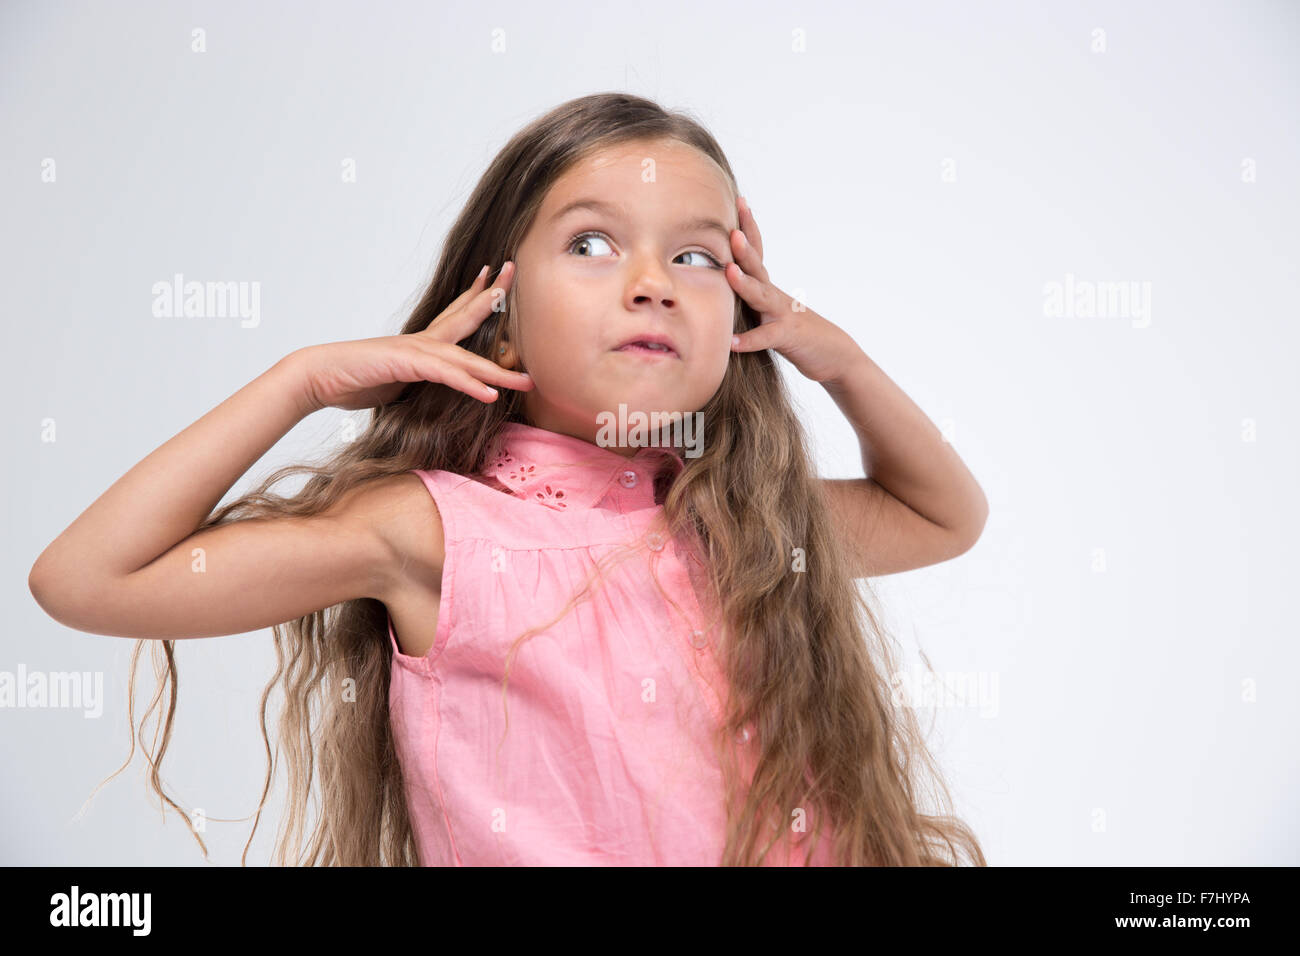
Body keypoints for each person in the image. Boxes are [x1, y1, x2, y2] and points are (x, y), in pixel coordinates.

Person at [28, 92, 989, 866]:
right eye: (591, 244)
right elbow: (86, 580)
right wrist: (302, 381)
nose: (651, 280)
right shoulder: (434, 535)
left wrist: (843, 361)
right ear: (501, 314)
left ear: (740, 321)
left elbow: (943, 516)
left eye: (696, 255)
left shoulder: (745, 524)